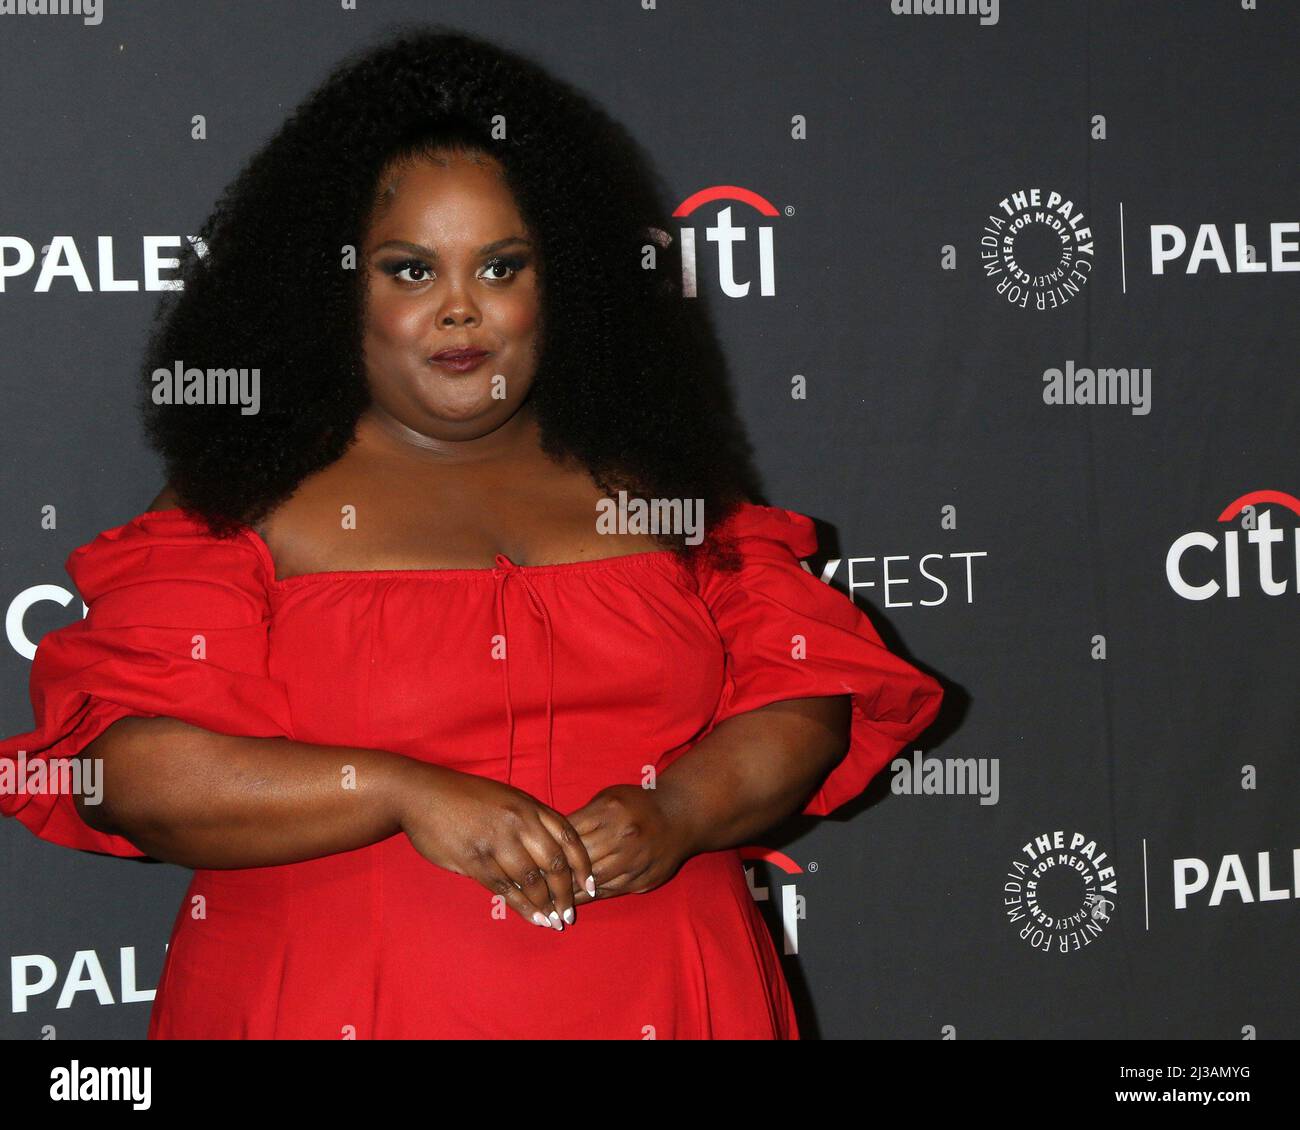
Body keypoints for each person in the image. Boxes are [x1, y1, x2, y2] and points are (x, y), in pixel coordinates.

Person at [0, 28, 943, 1039]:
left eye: (501, 266)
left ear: (563, 284)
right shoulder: (235, 511)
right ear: (334, 288)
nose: (460, 310)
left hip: (670, 995)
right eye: (410, 271)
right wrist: (400, 791)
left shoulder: (668, 498)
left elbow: (801, 698)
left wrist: (680, 811)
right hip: (333, 1005)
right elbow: (126, 772)